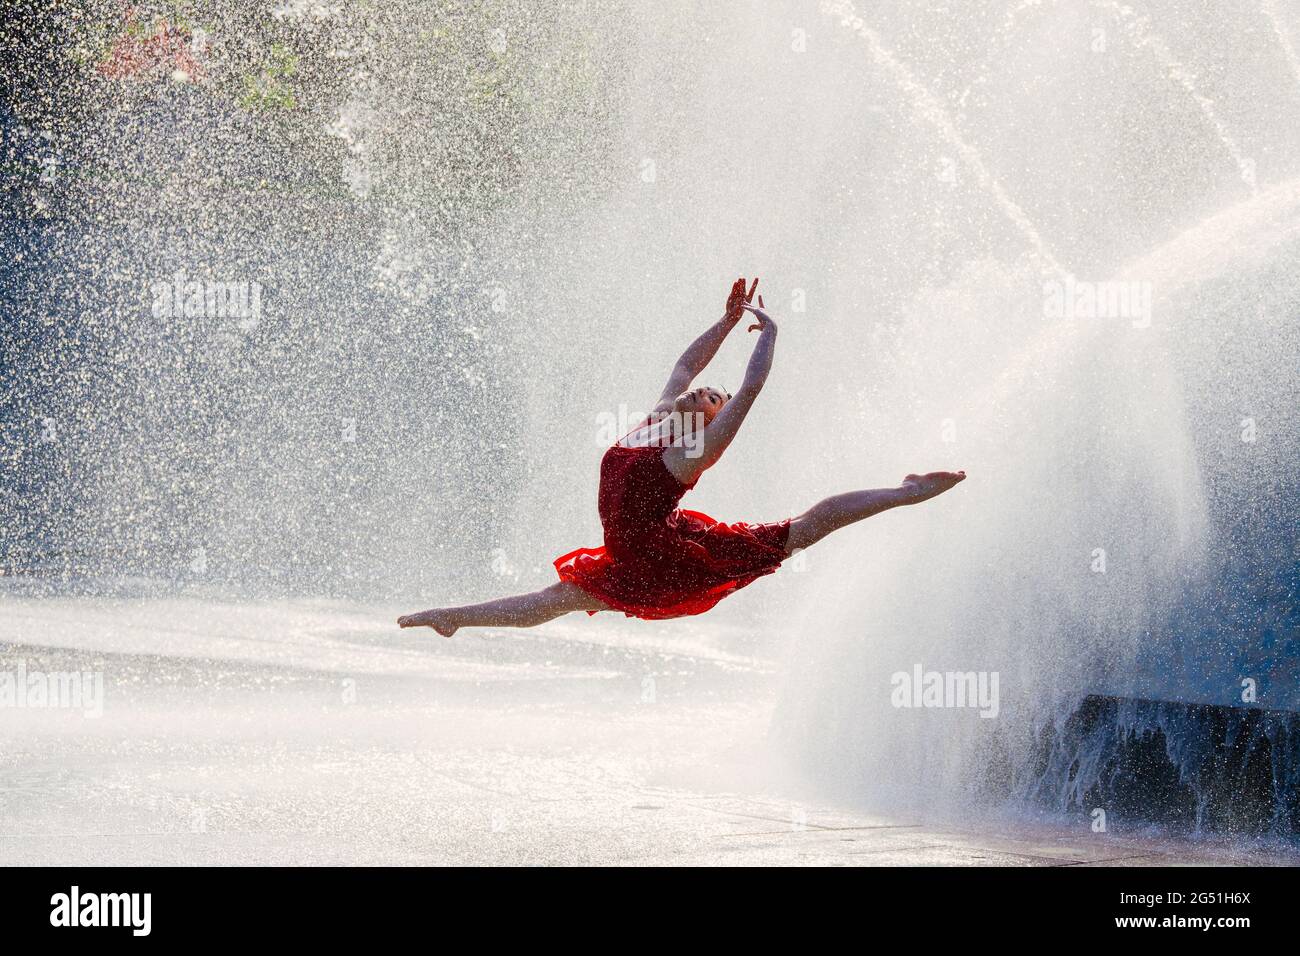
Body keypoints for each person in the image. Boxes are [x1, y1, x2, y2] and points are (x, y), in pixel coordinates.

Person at [398, 277, 965, 637]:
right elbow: (687, 364)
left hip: (662, 563)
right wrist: (727, 322)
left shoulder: (688, 454)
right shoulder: (660, 416)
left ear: (710, 420)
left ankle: (908, 491)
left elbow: (750, 389)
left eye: (713, 400)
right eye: (706, 391)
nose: (705, 392)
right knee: (551, 602)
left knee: (804, 530)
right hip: (628, 552)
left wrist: (769, 333)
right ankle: (453, 618)